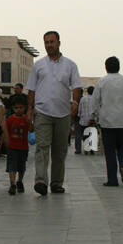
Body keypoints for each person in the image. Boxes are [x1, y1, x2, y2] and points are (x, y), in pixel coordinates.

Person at [26, 30, 82, 196]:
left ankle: (56, 183)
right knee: (42, 147)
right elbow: (32, 89)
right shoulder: (39, 65)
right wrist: (30, 109)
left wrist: (75, 102)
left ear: (59, 43)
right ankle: (40, 180)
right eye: (46, 42)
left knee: (60, 150)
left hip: (63, 113)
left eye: (52, 42)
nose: (49, 45)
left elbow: (77, 86)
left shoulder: (70, 65)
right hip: (42, 112)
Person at [95, 56, 123, 186]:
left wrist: (95, 116)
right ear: (118, 66)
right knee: (122, 147)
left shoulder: (102, 82)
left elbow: (95, 101)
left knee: (110, 151)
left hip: (107, 121)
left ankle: (112, 179)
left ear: (106, 67)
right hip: (122, 120)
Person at [3, 92, 31, 194]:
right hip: (12, 147)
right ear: (13, 108)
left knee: (21, 166)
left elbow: (32, 129)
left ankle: (20, 181)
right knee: (12, 166)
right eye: (16, 108)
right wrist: (5, 140)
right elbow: (6, 131)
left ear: (25, 108)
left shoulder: (26, 119)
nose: (18, 109)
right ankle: (12, 184)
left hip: (23, 147)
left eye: (21, 107)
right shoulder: (10, 119)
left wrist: (29, 120)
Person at [74, 85, 95, 154]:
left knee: (85, 134)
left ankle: (86, 148)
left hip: (83, 120)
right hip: (92, 120)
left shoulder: (83, 99)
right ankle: (91, 149)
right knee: (91, 134)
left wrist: (79, 115)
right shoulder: (95, 99)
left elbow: (80, 109)